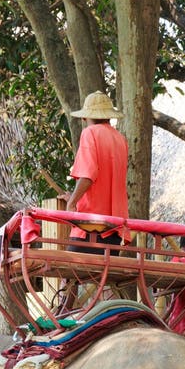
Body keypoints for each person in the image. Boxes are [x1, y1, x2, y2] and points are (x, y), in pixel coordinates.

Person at [63, 91, 129, 253]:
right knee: (100, 276)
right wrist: (73, 197)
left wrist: (71, 203)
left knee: (69, 276)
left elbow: (88, 175)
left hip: (90, 226)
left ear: (85, 118)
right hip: (114, 227)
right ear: (109, 116)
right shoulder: (120, 139)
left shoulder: (90, 133)